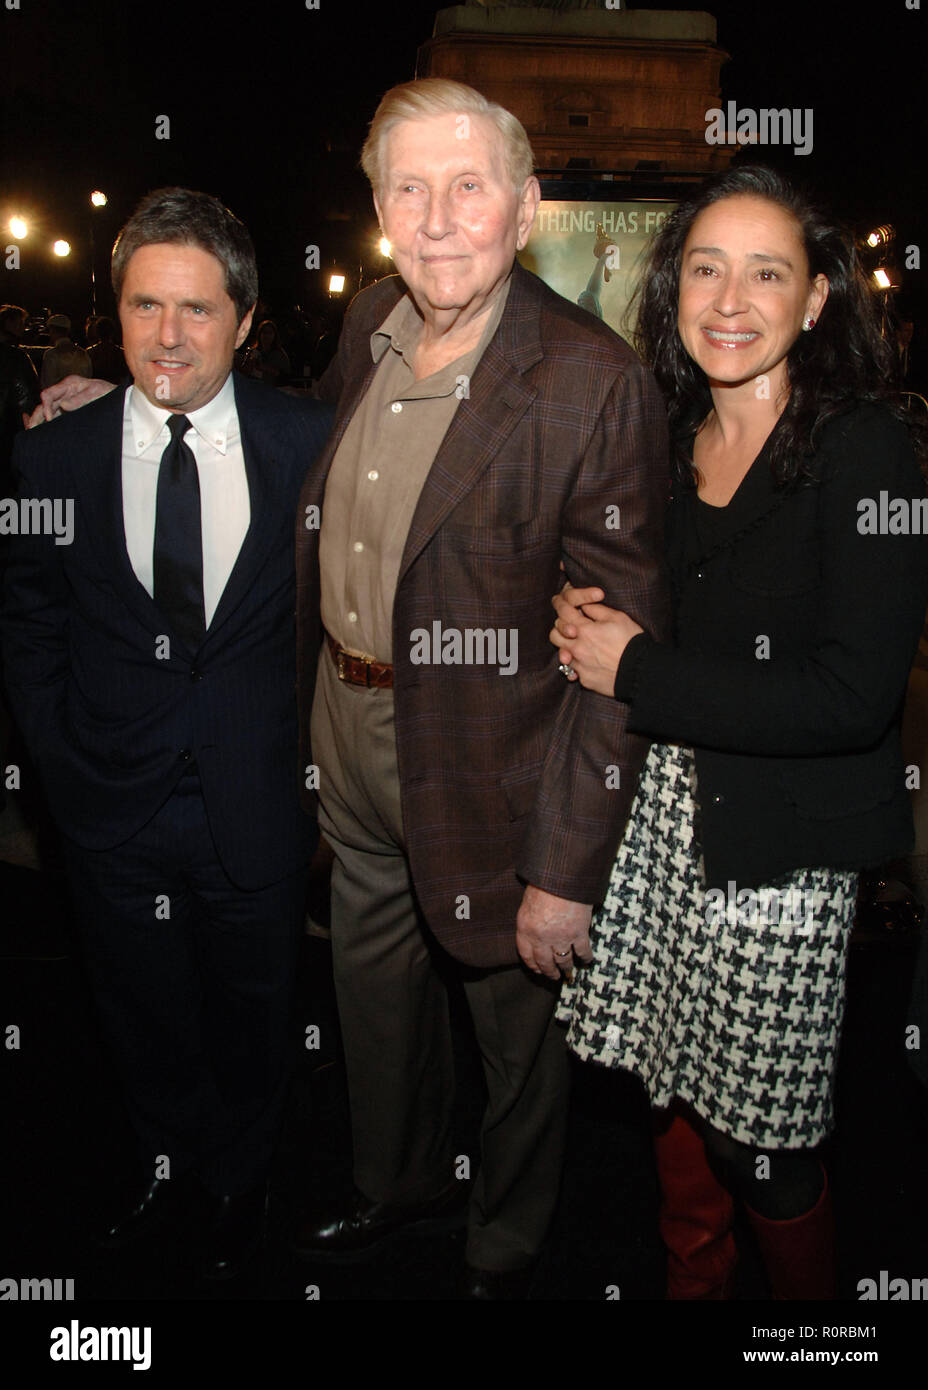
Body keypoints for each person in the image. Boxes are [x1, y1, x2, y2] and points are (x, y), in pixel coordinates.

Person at [292, 78, 670, 1297]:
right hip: (347, 735)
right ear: (380, 210)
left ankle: (503, 1247)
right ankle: (393, 1185)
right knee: (375, 1003)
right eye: (411, 188)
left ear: (525, 211)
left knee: (518, 1045)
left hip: (497, 762)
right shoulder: (364, 323)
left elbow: (617, 660)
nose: (439, 217)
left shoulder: (589, 380)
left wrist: (565, 869)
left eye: (469, 188)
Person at [549, 164, 928, 1300]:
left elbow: (852, 697)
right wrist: (582, 610)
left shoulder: (864, 448)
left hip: (779, 850)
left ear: (815, 301)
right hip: (660, 816)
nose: (729, 298)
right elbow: (634, 598)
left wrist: (638, 667)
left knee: (763, 1138)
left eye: (767, 273)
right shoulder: (663, 437)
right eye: (705, 269)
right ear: (672, 292)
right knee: (668, 1086)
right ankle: (692, 1281)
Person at [1, 188, 332, 1281]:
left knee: (256, 1010)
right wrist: (57, 759)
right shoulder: (56, 456)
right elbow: (29, 619)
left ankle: (239, 1174)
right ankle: (158, 1157)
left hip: (256, 800)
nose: (170, 335)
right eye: (146, 305)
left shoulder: (309, 447)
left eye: (196, 309)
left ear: (243, 319)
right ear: (117, 308)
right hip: (110, 803)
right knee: (136, 1006)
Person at [0, 304, 40, 494]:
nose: (23, 328)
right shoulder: (15, 358)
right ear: (8, 323)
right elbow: (28, 403)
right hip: (8, 444)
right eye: (20, 323)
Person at [242, 319, 290, 387]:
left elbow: (285, 377)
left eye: (270, 333)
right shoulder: (253, 352)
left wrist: (266, 368)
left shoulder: (279, 354)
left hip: (271, 390)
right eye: (264, 332)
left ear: (274, 335)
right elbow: (243, 373)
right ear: (260, 334)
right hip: (253, 388)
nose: (267, 336)